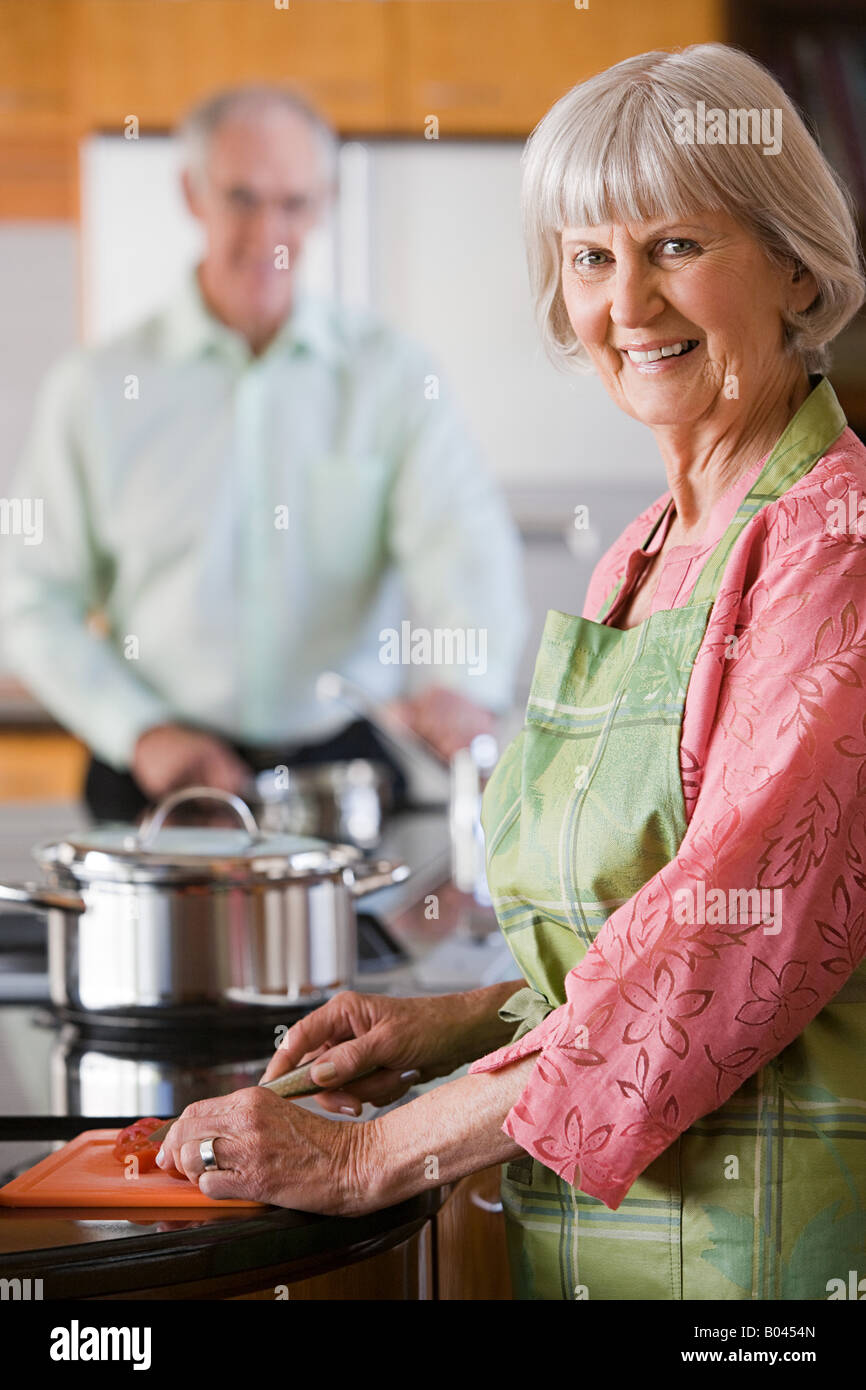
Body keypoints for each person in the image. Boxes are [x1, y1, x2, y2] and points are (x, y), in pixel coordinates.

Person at [155, 44, 866, 1301]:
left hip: (764, 1264)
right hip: (605, 1248)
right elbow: (622, 938)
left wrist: (367, 1153)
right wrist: (462, 1019)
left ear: (795, 262)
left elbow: (720, 952)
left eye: (676, 246)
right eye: (590, 256)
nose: (627, 305)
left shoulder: (834, 550)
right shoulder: (641, 561)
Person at [0, 85, 528, 820]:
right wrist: (142, 731)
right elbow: (30, 596)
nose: (270, 232)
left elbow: (460, 543)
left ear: (325, 203)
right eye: (242, 198)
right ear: (192, 194)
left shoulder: (392, 378)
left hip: (345, 777)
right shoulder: (92, 390)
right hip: (156, 772)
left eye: (295, 203)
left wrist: (464, 679)